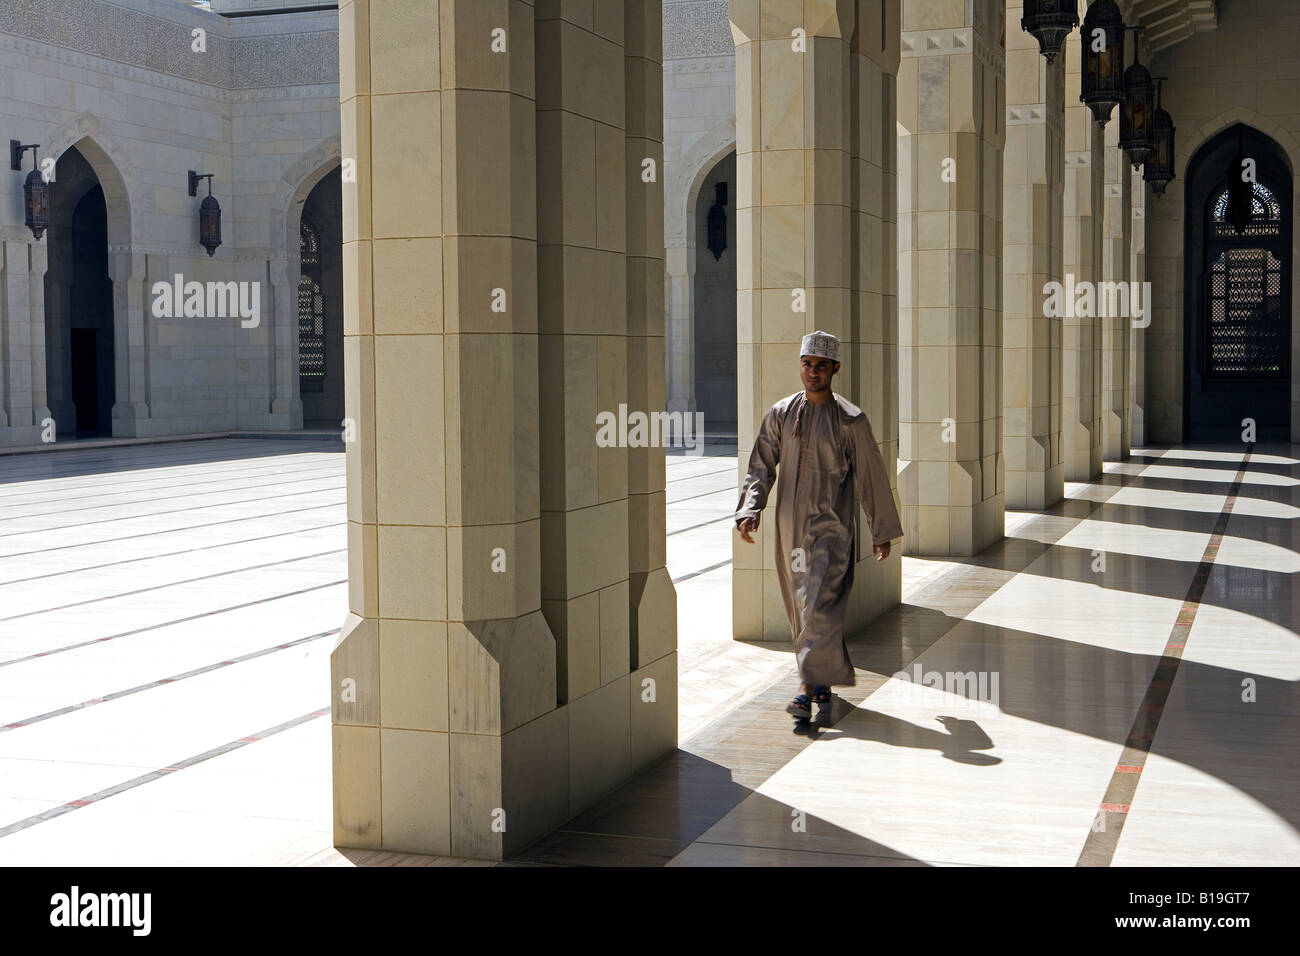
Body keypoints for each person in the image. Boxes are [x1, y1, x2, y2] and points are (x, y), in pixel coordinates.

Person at [735, 330, 904, 722]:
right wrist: (750, 508)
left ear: (835, 369)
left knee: (820, 605)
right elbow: (761, 464)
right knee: (802, 610)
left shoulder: (851, 421)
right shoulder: (780, 413)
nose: (812, 372)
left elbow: (871, 476)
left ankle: (803, 689)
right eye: (807, 364)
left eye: (821, 366)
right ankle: (821, 682)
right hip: (790, 529)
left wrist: (880, 530)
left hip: (832, 529)